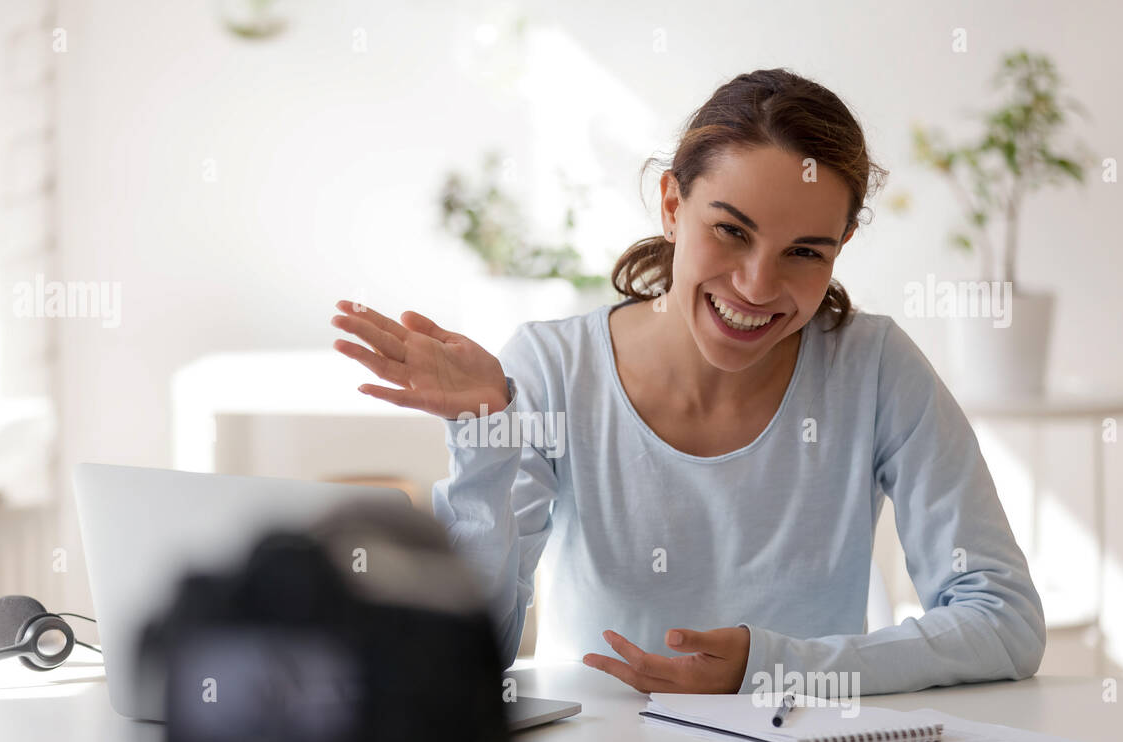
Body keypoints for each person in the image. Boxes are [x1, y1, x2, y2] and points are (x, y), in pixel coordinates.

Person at [328, 68, 1045, 701]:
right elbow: (463, 662)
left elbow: (1003, 621)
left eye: (804, 252)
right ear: (672, 206)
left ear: (841, 248)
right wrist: (486, 435)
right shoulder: (553, 368)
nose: (757, 286)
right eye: (731, 231)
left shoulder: (877, 368)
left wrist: (775, 668)